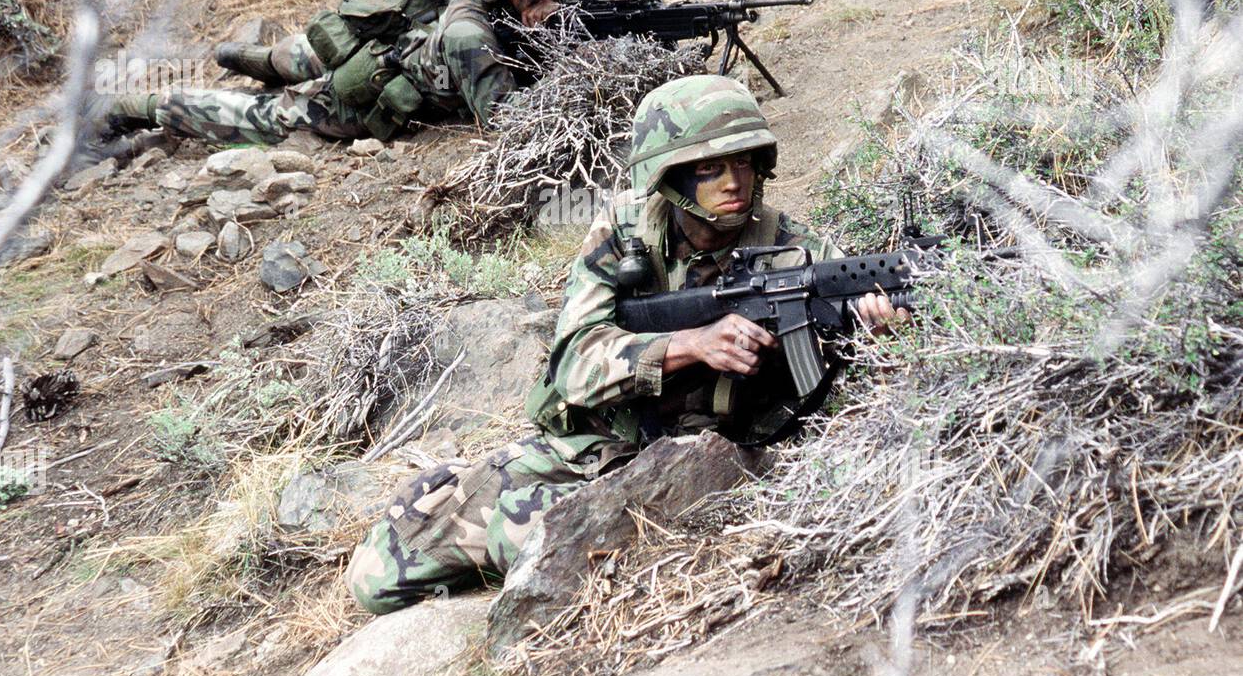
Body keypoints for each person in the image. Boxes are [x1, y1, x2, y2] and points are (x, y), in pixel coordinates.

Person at [346, 75, 908, 616]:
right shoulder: (625, 233)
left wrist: (867, 330)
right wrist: (691, 345)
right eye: (710, 168)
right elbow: (573, 364)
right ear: (669, 177)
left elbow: (836, 389)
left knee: (624, 561)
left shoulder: (794, 254)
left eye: (743, 163)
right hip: (601, 442)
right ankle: (467, 508)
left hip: (712, 462)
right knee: (376, 578)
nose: (733, 182)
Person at [92, 0, 578, 145]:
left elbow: (576, 4)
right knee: (263, 115)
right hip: (375, 90)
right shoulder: (470, 36)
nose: (550, 3)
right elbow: (510, 124)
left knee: (299, 56)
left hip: (405, 41)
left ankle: (263, 60)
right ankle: (140, 107)